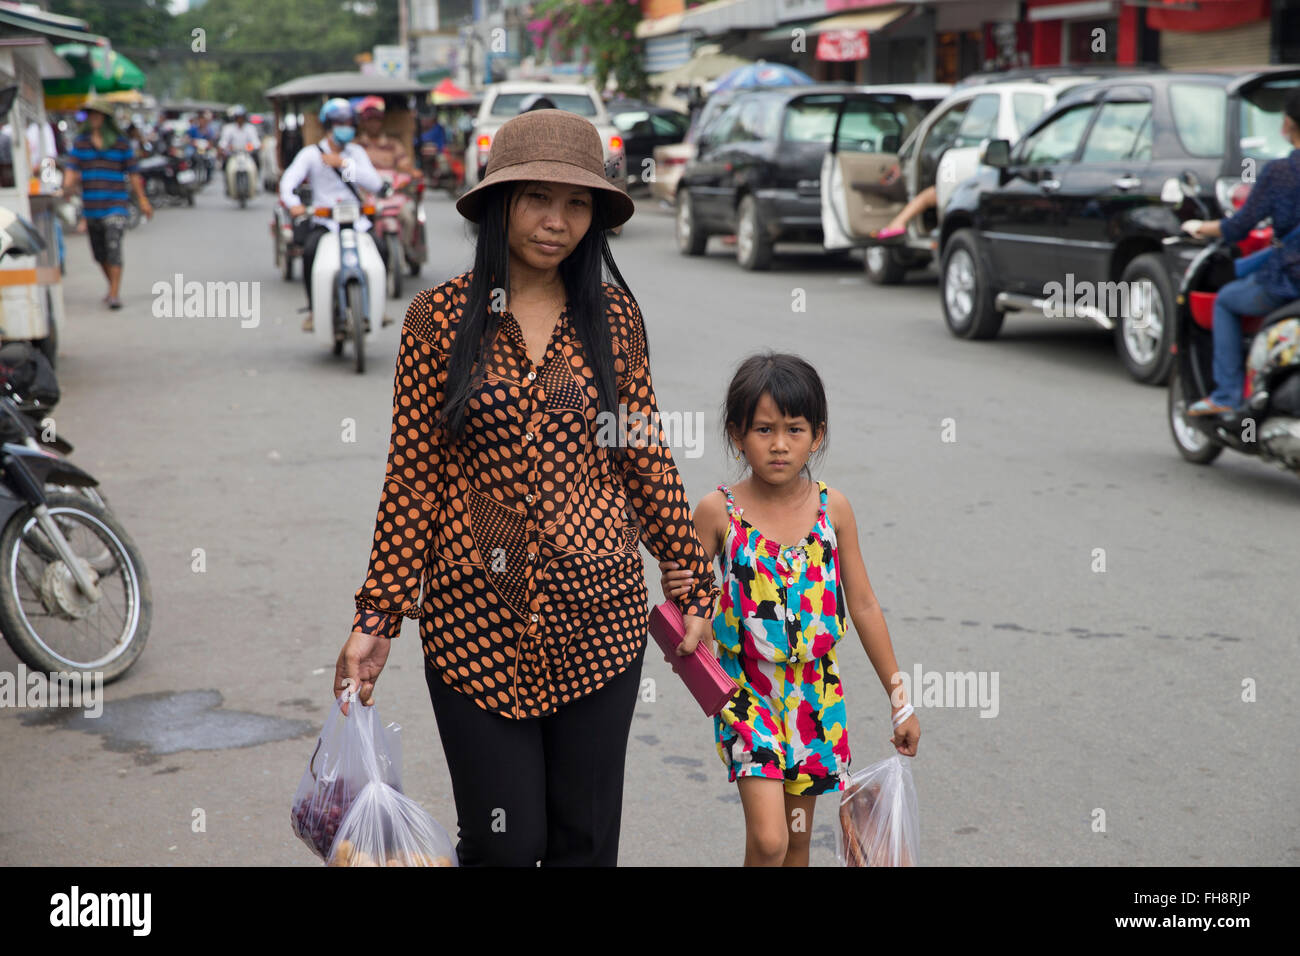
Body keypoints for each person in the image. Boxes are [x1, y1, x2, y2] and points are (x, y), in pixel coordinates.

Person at [334, 108, 719, 867]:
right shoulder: (438, 320)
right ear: (499, 203)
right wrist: (379, 615)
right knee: (508, 845)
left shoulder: (612, 318)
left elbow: (640, 449)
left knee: (583, 840)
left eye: (578, 203)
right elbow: (413, 476)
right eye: (537, 198)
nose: (557, 221)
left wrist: (688, 573)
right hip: (474, 621)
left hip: (598, 620)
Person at [659, 354, 919, 866]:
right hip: (747, 694)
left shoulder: (833, 509)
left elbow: (863, 605)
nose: (779, 444)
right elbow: (689, 602)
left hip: (816, 698)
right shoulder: (717, 511)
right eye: (763, 429)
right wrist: (681, 590)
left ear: (817, 435)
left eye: (794, 429)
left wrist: (900, 699)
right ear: (737, 434)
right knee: (770, 840)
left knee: (798, 840)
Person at [1184, 87, 1300, 415]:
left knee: (1227, 300)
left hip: (1289, 279)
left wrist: (1199, 227)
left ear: (1286, 125)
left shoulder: (1279, 172)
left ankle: (1227, 394)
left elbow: (1238, 227)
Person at [278, 97, 387, 332]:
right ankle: (314, 310)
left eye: (348, 122)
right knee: (309, 253)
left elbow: (375, 183)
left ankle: (379, 305)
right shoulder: (310, 154)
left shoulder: (355, 154)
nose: (345, 126)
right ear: (328, 125)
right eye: (339, 122)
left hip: (356, 221)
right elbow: (288, 182)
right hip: (325, 222)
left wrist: (344, 164)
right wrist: (293, 203)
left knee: (382, 247)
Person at [62, 99, 153, 309]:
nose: (93, 118)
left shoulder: (121, 143)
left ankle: (114, 294)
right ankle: (112, 285)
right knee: (99, 253)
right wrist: (67, 186)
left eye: (97, 114)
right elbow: (72, 169)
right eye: (90, 114)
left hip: (115, 204)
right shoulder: (81, 143)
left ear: (105, 118)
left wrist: (143, 200)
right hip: (92, 206)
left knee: (114, 246)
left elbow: (133, 174)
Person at [354, 96, 416, 177]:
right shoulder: (355, 144)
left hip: (389, 185)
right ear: (363, 123)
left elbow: (404, 164)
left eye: (377, 120)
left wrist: (410, 171)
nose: (373, 124)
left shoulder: (393, 144)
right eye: (369, 120)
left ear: (382, 122)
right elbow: (348, 171)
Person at [218, 104, 260, 193]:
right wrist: (226, 147)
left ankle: (255, 184)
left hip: (247, 154)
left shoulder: (250, 128)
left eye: (241, 117)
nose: (240, 119)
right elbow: (223, 142)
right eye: (238, 117)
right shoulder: (229, 128)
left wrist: (252, 147)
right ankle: (228, 185)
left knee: (256, 163)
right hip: (233, 154)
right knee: (225, 165)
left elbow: (255, 142)